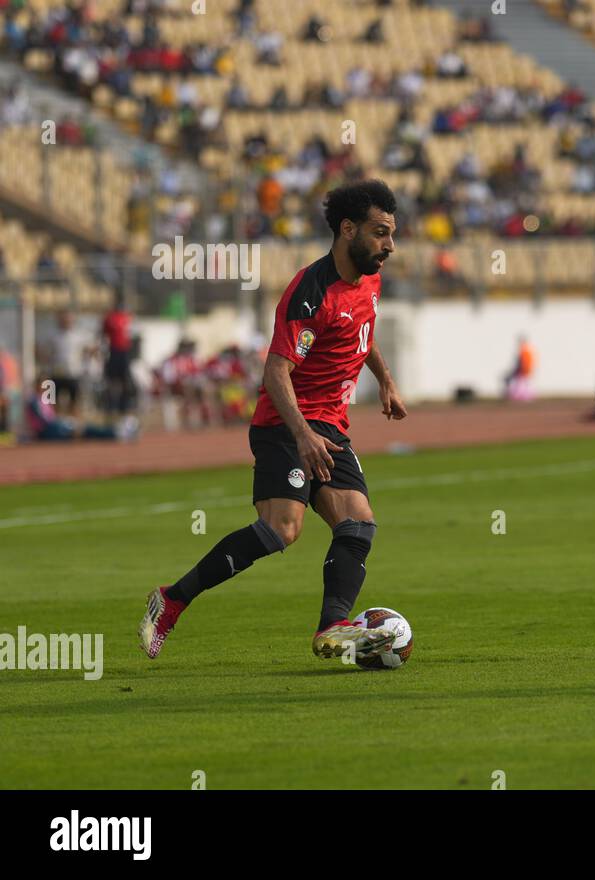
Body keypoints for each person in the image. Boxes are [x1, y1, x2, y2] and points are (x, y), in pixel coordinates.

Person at [139, 180, 409, 664]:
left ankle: (333, 629)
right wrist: (303, 434)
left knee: (358, 524)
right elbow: (275, 371)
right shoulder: (310, 293)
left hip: (329, 424)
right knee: (282, 529)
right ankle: (172, 599)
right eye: (380, 232)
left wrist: (385, 379)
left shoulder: (370, 275)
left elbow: (362, 330)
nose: (390, 244)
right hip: (286, 424)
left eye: (391, 233)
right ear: (347, 230)